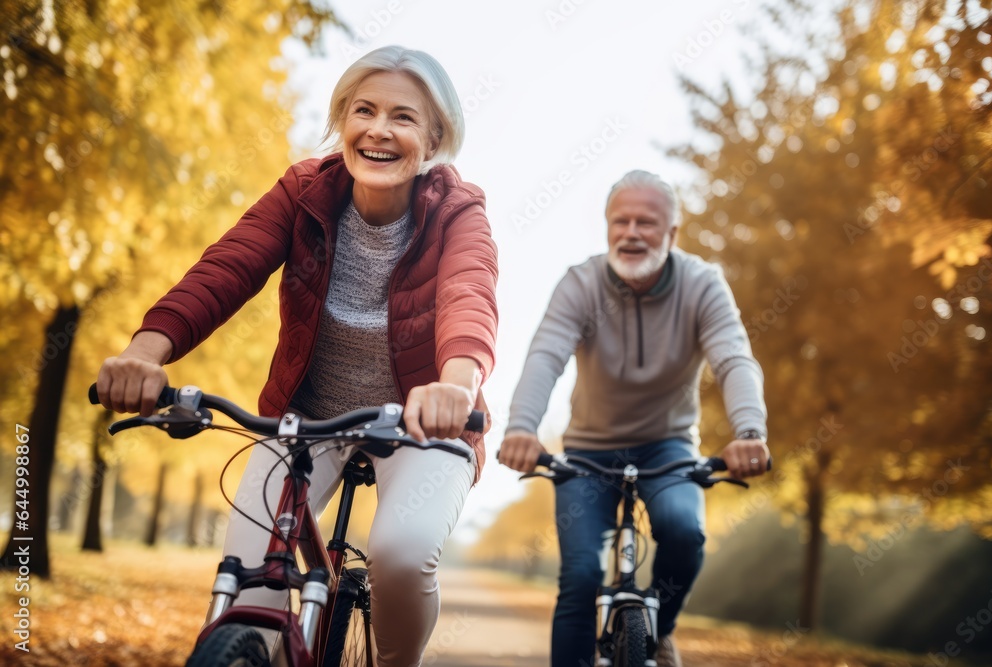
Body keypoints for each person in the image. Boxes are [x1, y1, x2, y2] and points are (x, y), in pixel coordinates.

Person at [95, 45, 498, 667]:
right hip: (305, 420)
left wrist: (458, 385)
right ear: (342, 122)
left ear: (435, 136)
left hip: (422, 424)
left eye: (404, 117)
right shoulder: (303, 191)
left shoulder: (457, 212)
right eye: (363, 110)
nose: (379, 130)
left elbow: (470, 295)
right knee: (250, 584)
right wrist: (144, 353)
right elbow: (226, 269)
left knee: (399, 552)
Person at [498, 170, 768, 667]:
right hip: (588, 450)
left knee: (684, 531)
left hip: (668, 447)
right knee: (579, 577)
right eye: (620, 221)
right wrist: (521, 428)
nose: (631, 232)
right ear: (606, 228)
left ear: (672, 233)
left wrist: (750, 432)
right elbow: (546, 356)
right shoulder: (580, 283)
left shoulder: (703, 284)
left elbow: (734, 359)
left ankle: (656, 630)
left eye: (646, 222)